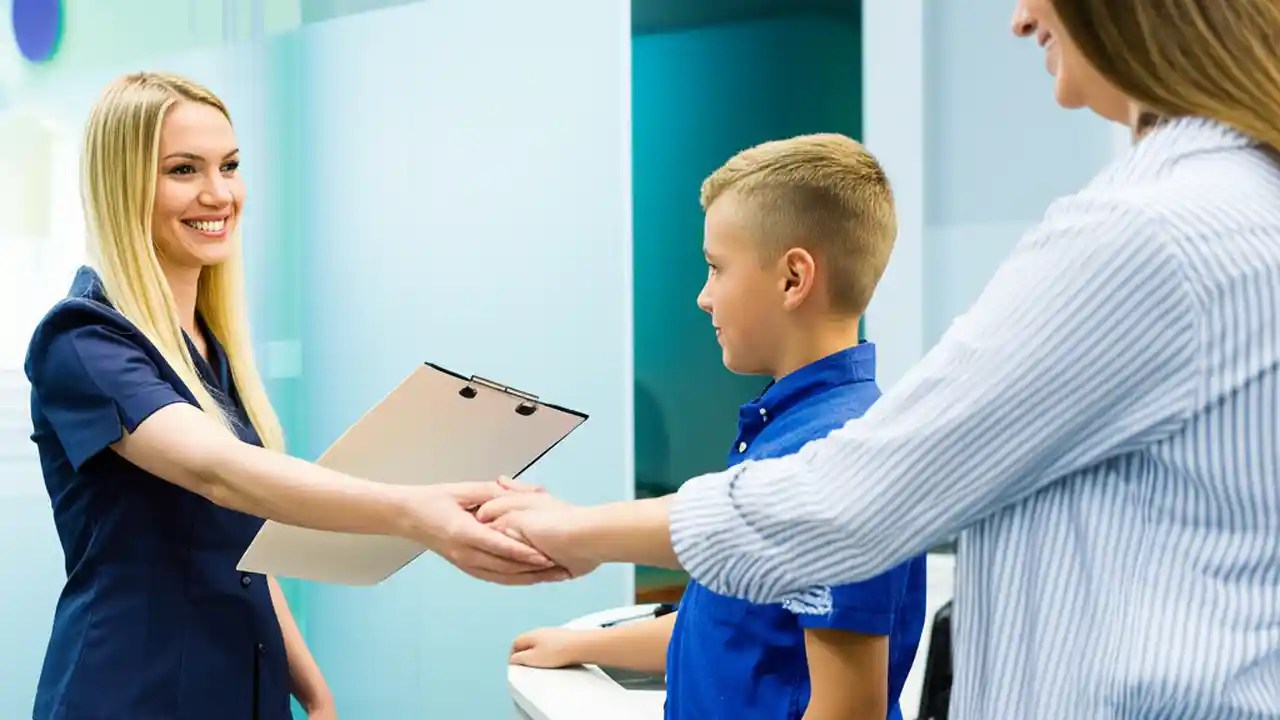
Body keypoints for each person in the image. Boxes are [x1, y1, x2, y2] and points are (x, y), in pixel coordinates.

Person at [479, 1, 1280, 718]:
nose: (1018, 17)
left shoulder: (1150, 236)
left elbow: (846, 505)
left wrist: (575, 532)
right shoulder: (1242, 208)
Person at [22, 72, 562, 720]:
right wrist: (417, 510)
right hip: (134, 690)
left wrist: (313, 689)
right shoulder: (83, 340)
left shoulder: (207, 350)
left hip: (241, 684)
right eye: (184, 169)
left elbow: (242, 547)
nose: (218, 193)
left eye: (230, 165)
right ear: (123, 182)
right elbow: (220, 474)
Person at [501, 134, 925, 720]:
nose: (703, 297)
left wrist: (575, 532)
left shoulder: (839, 455)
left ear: (792, 278)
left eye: (715, 268)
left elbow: (848, 711)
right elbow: (733, 624)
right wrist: (583, 645)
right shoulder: (785, 428)